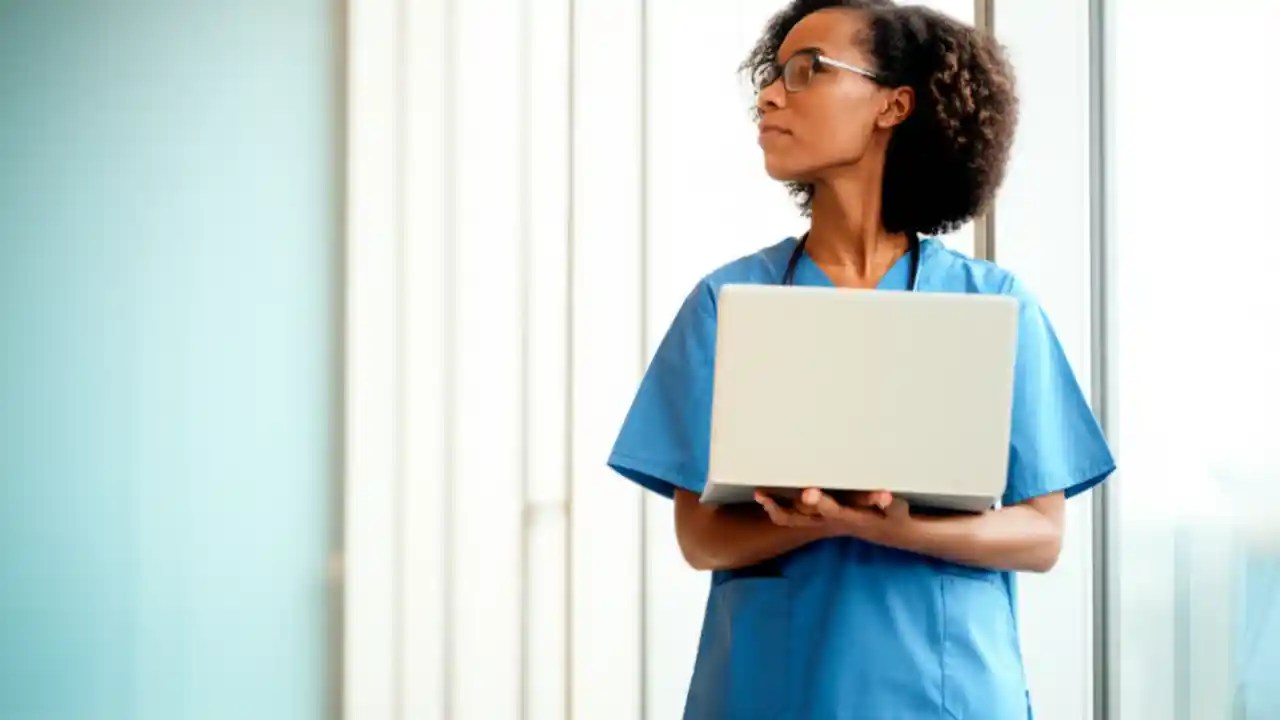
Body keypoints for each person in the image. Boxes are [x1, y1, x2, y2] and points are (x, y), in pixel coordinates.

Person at [607, 1, 1116, 718]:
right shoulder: (728, 302)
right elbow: (701, 538)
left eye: (805, 70)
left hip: (947, 691)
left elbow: (1040, 536)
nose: (769, 95)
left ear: (893, 105)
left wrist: (885, 526)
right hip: (776, 690)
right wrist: (827, 518)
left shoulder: (992, 305)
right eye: (770, 75)